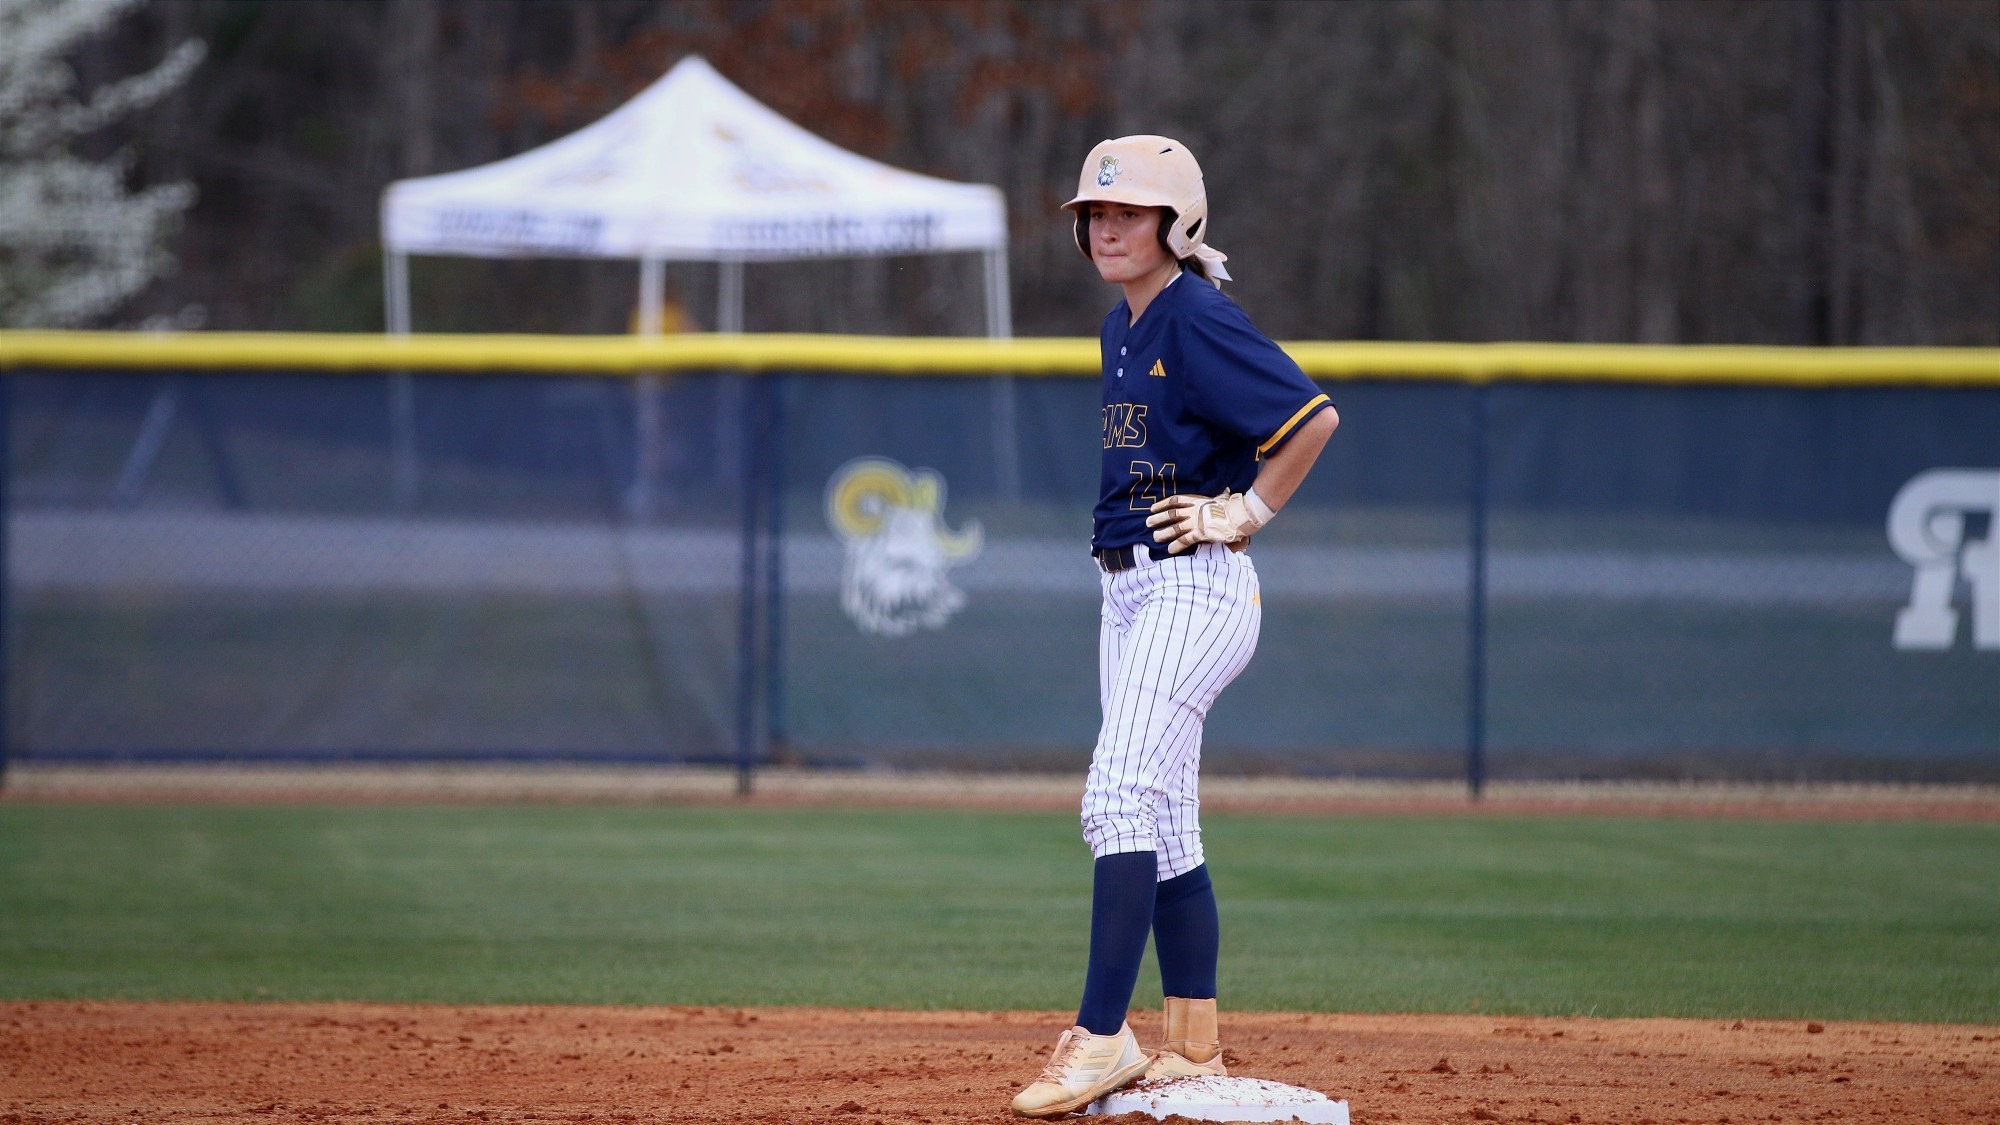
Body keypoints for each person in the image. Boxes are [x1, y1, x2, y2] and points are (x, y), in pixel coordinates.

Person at [1009, 136, 1340, 1119]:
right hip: (1129, 589)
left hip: (1191, 588)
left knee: (1112, 800)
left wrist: (1245, 511)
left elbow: (1310, 419)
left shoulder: (1193, 316)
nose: (1104, 227)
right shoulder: (1127, 322)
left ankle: (1101, 1036)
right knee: (1161, 823)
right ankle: (1190, 1041)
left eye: (1125, 212)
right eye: (1092, 216)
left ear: (1175, 223)